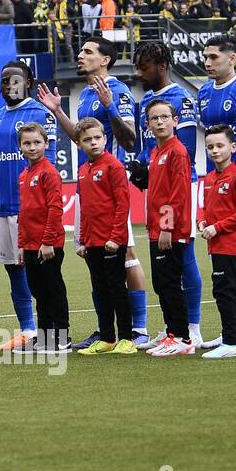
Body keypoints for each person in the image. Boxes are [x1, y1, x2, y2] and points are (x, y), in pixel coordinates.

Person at [38, 35, 150, 350]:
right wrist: (58, 112)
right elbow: (80, 135)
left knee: (127, 253)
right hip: (90, 184)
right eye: (81, 51)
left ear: (105, 59)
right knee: (98, 261)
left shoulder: (118, 91)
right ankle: (108, 332)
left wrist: (109, 105)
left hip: (113, 182)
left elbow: (129, 140)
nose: (81, 55)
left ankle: (138, 330)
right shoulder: (86, 92)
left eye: (88, 51)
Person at [129, 41, 208, 347]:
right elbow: (145, 147)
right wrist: (142, 167)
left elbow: (184, 150)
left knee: (183, 255)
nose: (139, 73)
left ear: (161, 66)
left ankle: (193, 326)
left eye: (143, 67)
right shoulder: (147, 100)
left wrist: (152, 170)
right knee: (164, 264)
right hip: (157, 182)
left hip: (180, 185)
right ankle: (172, 327)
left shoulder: (182, 99)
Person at [0, 60, 58, 352]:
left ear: (29, 83)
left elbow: (46, 162)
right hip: (4, 208)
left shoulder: (41, 113)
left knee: (39, 273)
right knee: (13, 270)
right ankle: (26, 331)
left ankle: (48, 329)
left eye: (16, 80)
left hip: (31, 209)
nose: (9, 85)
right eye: (4, 81)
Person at [198, 35, 236, 298]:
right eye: (205, 57)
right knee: (223, 255)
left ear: (232, 58)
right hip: (216, 182)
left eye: (213, 57)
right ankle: (232, 329)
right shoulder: (203, 92)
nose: (207, 63)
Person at [73, 118, 136, 356]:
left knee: (117, 288)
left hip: (111, 242)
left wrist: (116, 237)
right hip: (93, 242)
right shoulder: (82, 170)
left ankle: (127, 338)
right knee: (99, 290)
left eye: (97, 138)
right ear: (79, 144)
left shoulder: (114, 166)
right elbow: (86, 209)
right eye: (87, 140)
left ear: (105, 139)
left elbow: (123, 204)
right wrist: (82, 241)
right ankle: (107, 338)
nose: (93, 143)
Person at [199, 125, 236, 358]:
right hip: (216, 243)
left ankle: (231, 342)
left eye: (220, 145)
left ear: (233, 147)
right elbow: (206, 208)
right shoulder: (210, 178)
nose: (215, 150)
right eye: (210, 147)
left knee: (224, 291)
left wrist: (217, 227)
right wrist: (203, 221)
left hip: (230, 244)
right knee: (235, 290)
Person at [143, 99, 194, 356]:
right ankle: (172, 333)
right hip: (157, 229)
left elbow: (179, 194)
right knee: (161, 283)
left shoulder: (178, 151)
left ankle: (182, 338)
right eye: (155, 118)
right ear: (148, 124)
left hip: (170, 231)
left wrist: (166, 227)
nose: (160, 122)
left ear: (175, 121)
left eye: (165, 117)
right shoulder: (156, 152)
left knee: (170, 282)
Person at [16, 122, 69, 353]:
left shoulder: (49, 173)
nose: (32, 147)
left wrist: (47, 241)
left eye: (37, 142)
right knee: (38, 292)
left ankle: (62, 337)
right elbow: (24, 212)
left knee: (53, 290)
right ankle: (45, 336)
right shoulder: (24, 175)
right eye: (27, 143)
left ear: (46, 144)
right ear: (20, 147)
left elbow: (55, 209)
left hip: (48, 245)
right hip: (30, 245)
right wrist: (21, 244)